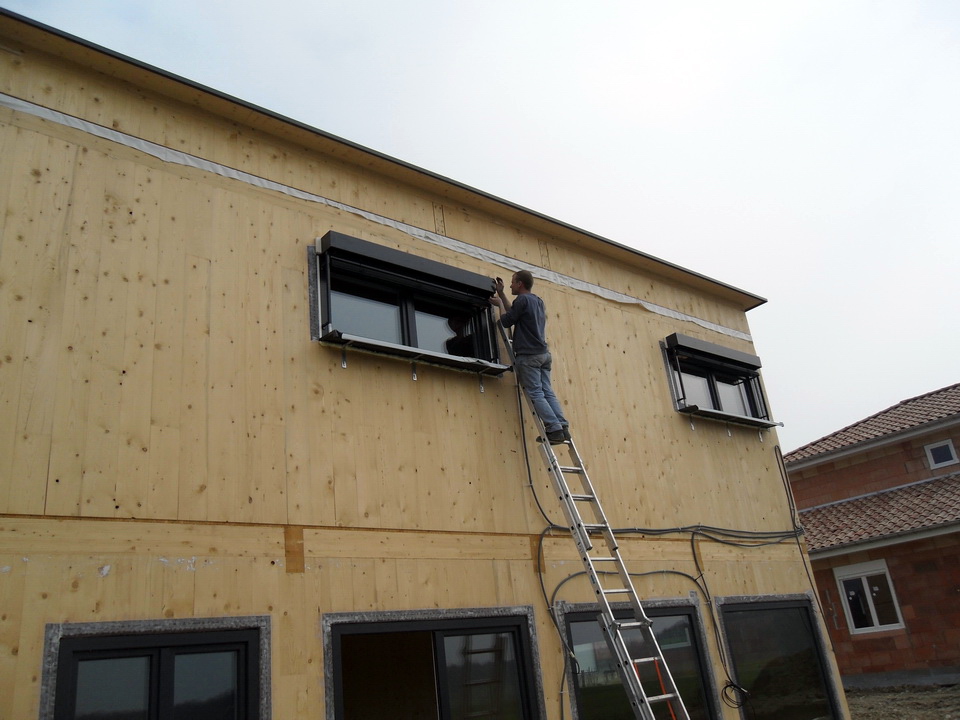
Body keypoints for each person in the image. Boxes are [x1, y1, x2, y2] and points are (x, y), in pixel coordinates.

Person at [490, 271, 570, 444]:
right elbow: (514, 313)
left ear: (520, 284)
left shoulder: (522, 300)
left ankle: (554, 429)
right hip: (543, 354)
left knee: (536, 393)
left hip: (529, 356)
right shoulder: (537, 301)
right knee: (547, 391)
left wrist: (499, 304)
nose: (510, 285)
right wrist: (501, 294)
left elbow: (506, 321)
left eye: (512, 282)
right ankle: (562, 426)